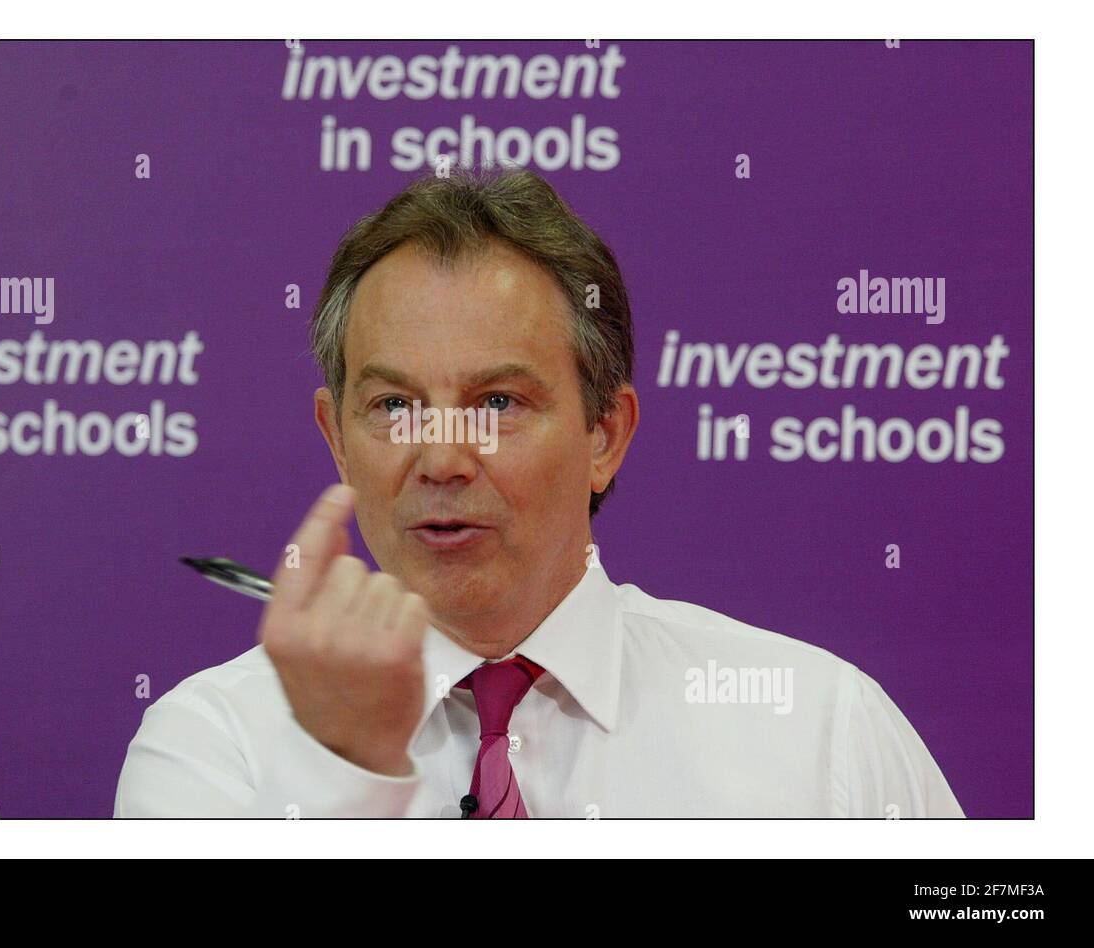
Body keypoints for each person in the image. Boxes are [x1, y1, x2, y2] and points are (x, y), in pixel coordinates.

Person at [115, 168, 963, 818]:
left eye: (498, 403)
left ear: (605, 434)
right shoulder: (213, 746)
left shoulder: (818, 736)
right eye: (394, 406)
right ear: (337, 439)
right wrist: (349, 773)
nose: (441, 458)